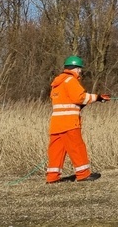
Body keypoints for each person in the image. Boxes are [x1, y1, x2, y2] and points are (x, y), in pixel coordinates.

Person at [47, 55, 110, 183]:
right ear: (77, 69)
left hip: (56, 124)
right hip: (69, 123)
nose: (80, 72)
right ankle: (83, 174)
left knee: (56, 150)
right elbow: (80, 97)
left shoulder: (56, 83)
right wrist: (97, 97)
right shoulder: (71, 81)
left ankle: (52, 177)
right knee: (77, 147)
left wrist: (81, 105)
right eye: (80, 69)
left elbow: (66, 101)